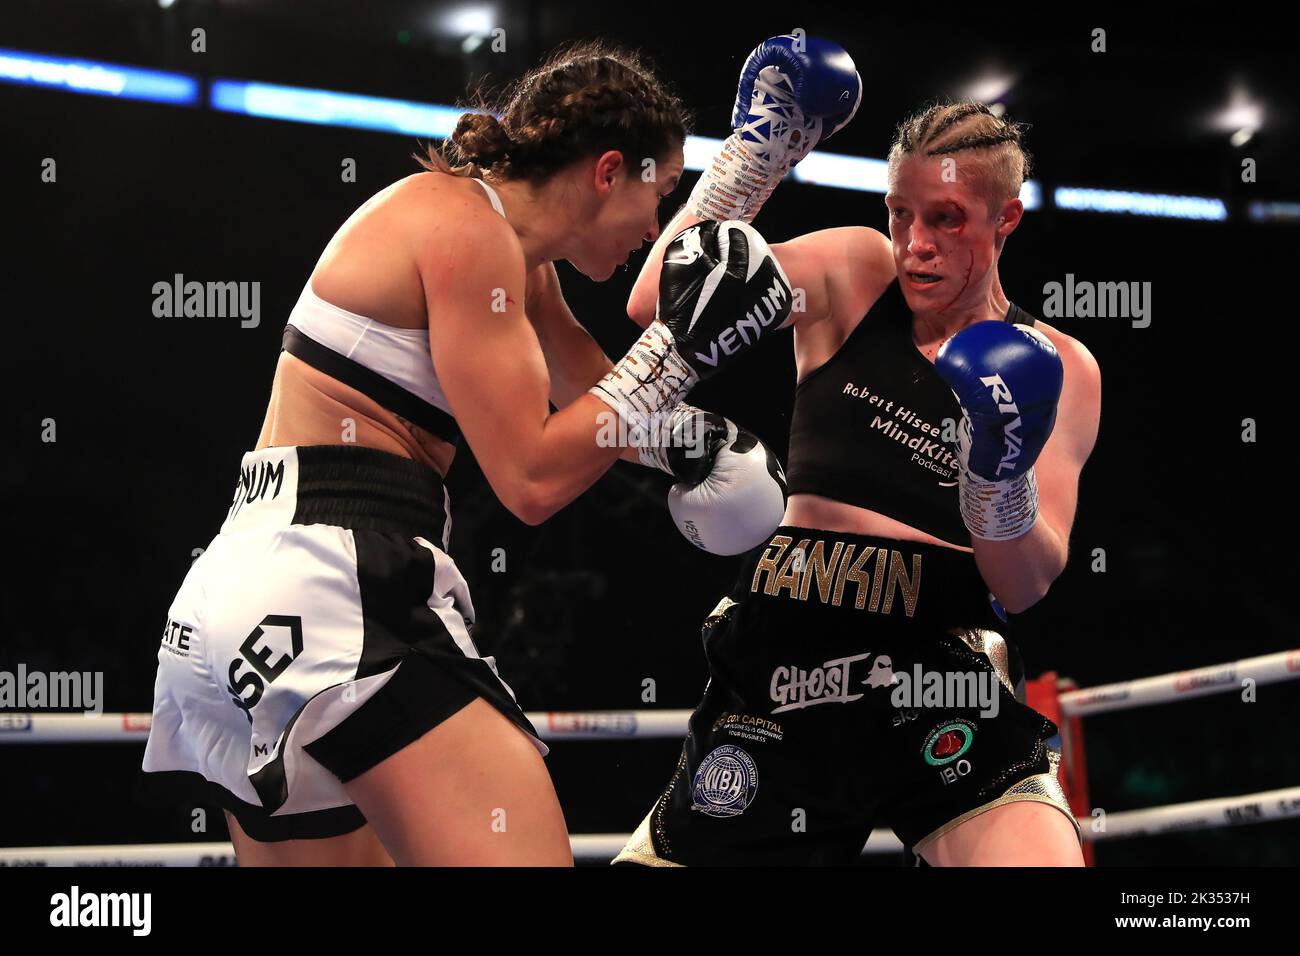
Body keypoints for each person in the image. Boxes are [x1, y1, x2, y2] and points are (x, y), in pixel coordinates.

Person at [140, 40, 788, 866]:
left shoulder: (508, 255)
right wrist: (683, 351)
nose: (653, 231)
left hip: (243, 601)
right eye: (658, 197)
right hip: (339, 578)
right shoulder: (468, 231)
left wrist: (699, 441)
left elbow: (590, 391)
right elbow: (530, 477)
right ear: (608, 170)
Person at [614, 35, 1101, 866]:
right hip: (785, 653)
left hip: (939, 667)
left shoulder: (1059, 365)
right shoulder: (853, 274)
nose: (916, 243)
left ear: (1005, 218)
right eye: (901, 212)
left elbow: (1024, 582)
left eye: (945, 219)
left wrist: (996, 474)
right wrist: (754, 158)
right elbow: (661, 298)